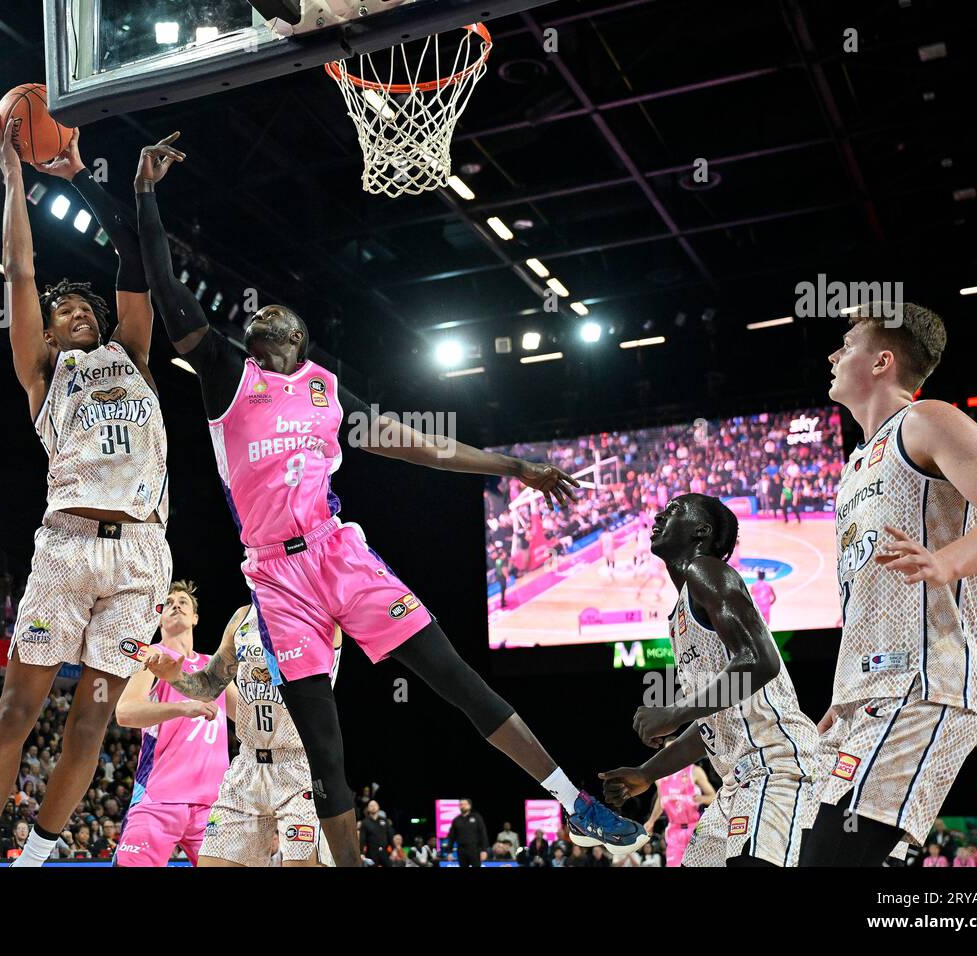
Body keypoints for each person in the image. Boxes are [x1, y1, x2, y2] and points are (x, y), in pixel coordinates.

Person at [135, 138, 645, 865]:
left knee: (457, 680)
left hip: (338, 551)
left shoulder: (325, 388)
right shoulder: (224, 373)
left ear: (302, 340)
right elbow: (167, 290)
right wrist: (146, 196)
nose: (264, 317)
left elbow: (419, 444)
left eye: (279, 314)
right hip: (276, 582)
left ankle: (575, 801)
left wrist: (509, 465)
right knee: (328, 757)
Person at [0, 118, 172, 870]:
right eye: (64, 313)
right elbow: (19, 269)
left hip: (143, 552)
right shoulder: (44, 376)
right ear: (47, 335)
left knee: (91, 725)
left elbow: (138, 253)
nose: (79, 312)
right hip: (68, 545)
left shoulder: (136, 354)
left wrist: (86, 176)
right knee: (19, 709)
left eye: (87, 308)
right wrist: (14, 179)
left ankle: (33, 862)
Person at [803, 305, 977, 866]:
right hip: (869, 695)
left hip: (924, 683)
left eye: (846, 345)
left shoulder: (927, 419)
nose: (833, 356)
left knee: (829, 858)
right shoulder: (856, 464)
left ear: (883, 361)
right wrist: (844, 695)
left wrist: (948, 561)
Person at [601, 494, 828, 867]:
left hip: (776, 768)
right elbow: (712, 726)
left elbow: (761, 662)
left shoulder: (706, 570)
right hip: (736, 783)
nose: (659, 514)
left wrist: (674, 712)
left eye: (674, 511)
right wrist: (648, 772)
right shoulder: (678, 615)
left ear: (701, 532)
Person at [143, 600, 341, 868]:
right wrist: (174, 676)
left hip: (299, 766)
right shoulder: (242, 618)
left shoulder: (320, 612)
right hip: (248, 766)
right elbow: (209, 686)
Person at [112, 581, 227, 867]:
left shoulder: (214, 667)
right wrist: (182, 707)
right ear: (160, 616)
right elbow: (125, 712)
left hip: (214, 806)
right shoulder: (151, 657)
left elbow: (251, 719)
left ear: (195, 618)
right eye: (169, 603)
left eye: (183, 602)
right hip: (159, 796)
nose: (176, 604)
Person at [643, 754, 716, 867]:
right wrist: (651, 821)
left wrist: (702, 798)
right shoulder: (661, 778)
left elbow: (713, 796)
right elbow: (661, 799)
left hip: (696, 827)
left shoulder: (694, 771)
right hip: (674, 830)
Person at [448, 798, 489, 867]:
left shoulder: (477, 817)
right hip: (461, 850)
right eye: (461, 804)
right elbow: (451, 837)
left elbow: (483, 834)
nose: (463, 806)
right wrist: (449, 852)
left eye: (465, 804)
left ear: (470, 806)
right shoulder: (456, 820)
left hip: (475, 849)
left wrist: (484, 850)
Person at [358, 799, 394, 867]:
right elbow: (362, 839)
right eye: (371, 806)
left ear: (378, 807)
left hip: (384, 851)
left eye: (375, 805)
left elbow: (390, 835)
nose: (373, 807)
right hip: (371, 852)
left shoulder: (384, 820)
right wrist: (361, 853)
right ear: (368, 809)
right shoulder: (365, 823)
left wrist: (394, 849)